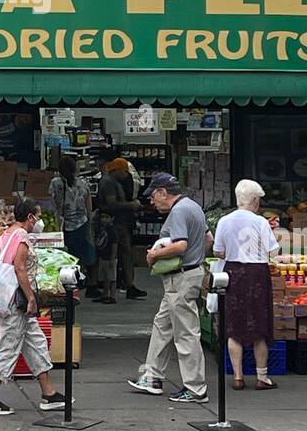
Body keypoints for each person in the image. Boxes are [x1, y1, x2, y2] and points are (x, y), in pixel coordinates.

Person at [0, 199, 69, 415]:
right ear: (30, 217)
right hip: (16, 302)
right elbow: (19, 267)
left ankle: (48, 393)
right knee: (8, 345)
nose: (39, 221)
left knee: (36, 343)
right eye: (37, 217)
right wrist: (31, 297)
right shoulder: (21, 236)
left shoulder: (7, 233)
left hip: (15, 302)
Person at [127, 173, 211, 403]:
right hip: (188, 274)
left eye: (153, 195)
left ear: (164, 192)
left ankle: (195, 388)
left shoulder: (179, 211)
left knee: (185, 333)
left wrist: (154, 254)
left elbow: (181, 245)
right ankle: (152, 376)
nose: (152, 202)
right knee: (162, 325)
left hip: (180, 278)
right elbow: (209, 239)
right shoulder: (193, 207)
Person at [213, 179, 281, 390]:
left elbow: (217, 251)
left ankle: (238, 376)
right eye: (258, 200)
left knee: (234, 326)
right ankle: (262, 377)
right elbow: (273, 252)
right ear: (253, 200)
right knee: (260, 326)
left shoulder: (224, 221)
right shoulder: (260, 222)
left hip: (233, 272)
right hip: (257, 274)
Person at [98, 157, 145, 300]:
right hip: (114, 224)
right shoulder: (108, 182)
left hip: (120, 222)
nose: (126, 175)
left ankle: (127, 285)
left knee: (123, 254)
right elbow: (112, 204)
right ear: (117, 170)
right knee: (113, 256)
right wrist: (131, 206)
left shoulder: (115, 181)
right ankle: (110, 291)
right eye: (124, 172)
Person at [50, 155, 96, 296]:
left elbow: (51, 203)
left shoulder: (55, 183)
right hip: (81, 223)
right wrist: (90, 223)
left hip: (63, 225)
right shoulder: (83, 183)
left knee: (66, 255)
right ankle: (85, 283)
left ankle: (67, 283)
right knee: (83, 254)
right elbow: (89, 206)